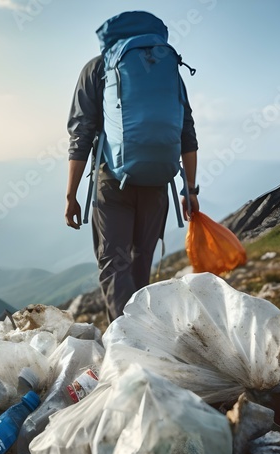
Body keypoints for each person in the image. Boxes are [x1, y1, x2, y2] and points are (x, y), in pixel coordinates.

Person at [64, 47, 200, 322]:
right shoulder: (168, 72)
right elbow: (187, 134)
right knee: (141, 260)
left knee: (114, 265)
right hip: (158, 182)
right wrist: (190, 190)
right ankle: (145, 336)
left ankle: (125, 340)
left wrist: (71, 195)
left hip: (112, 182)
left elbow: (81, 134)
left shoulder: (97, 68)